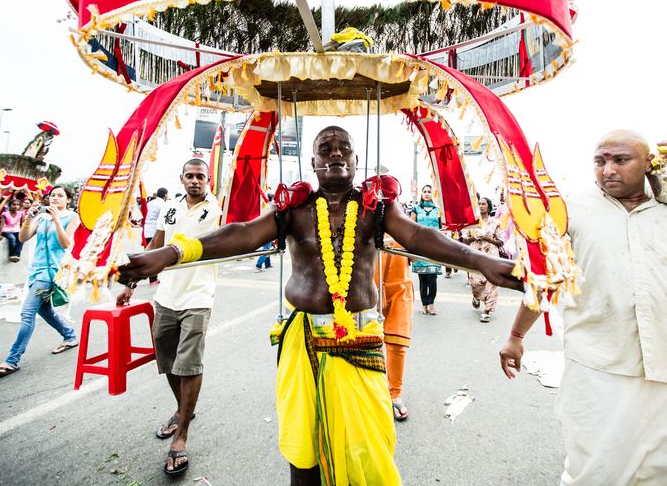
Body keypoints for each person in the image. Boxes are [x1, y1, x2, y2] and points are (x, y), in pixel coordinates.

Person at [118, 126, 522, 486]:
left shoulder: (376, 208)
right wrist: (172, 253)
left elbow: (418, 236)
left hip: (360, 338)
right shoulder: (293, 209)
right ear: (312, 161)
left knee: (368, 446)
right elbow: (241, 234)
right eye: (324, 147)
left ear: (356, 160)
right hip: (304, 340)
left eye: (343, 147)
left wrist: (483, 260)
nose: (334, 153)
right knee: (303, 447)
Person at [499, 131, 667, 486]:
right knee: (595, 473)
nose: (608, 170)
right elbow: (547, 279)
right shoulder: (570, 213)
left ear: (648, 164)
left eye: (620, 160)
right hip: (597, 368)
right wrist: (516, 336)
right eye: (600, 160)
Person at [117, 159, 220, 477]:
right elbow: (155, 246)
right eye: (189, 176)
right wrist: (130, 282)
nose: (194, 181)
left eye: (200, 176)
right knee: (168, 361)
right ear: (181, 178)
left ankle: (181, 436)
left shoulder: (216, 209)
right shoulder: (170, 207)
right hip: (166, 297)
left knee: (188, 364)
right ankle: (182, 410)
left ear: (208, 180)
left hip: (198, 297)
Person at [0, 185, 81, 378]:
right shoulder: (42, 218)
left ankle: (12, 360)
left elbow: (66, 244)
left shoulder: (72, 217)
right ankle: (69, 336)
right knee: (45, 311)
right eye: (53, 195)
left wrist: (56, 220)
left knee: (27, 313)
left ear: (68, 200)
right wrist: (28, 219)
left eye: (60, 196)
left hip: (51, 272)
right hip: (35, 271)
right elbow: (23, 237)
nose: (55, 199)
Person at [375, 237, 415, 421]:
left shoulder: (398, 216)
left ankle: (394, 394)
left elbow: (417, 254)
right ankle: (370, 393)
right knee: (365, 344)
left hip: (400, 290)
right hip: (366, 289)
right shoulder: (353, 213)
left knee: (397, 344)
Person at [460, 197, 506, 323]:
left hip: (491, 256)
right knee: (476, 282)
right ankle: (476, 296)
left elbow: (501, 241)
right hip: (475, 255)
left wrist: (487, 238)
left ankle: (487, 310)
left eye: (484, 204)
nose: (481, 206)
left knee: (492, 283)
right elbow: (464, 239)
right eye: (479, 204)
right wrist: (473, 238)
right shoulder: (472, 222)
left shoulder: (495, 223)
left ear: (489, 206)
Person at [410, 184, 443, 315]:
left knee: (433, 277)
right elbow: (411, 226)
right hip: (420, 247)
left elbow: (442, 227)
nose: (427, 193)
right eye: (425, 191)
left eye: (429, 191)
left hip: (435, 246)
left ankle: (431, 303)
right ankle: (424, 304)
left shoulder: (438, 210)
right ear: (422, 194)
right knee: (422, 277)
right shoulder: (416, 209)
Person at [143, 187, 169, 286]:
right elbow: (163, 219)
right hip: (156, 231)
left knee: (149, 254)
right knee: (158, 255)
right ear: (165, 195)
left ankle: (152, 278)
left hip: (147, 231)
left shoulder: (149, 203)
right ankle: (154, 279)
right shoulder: (163, 204)